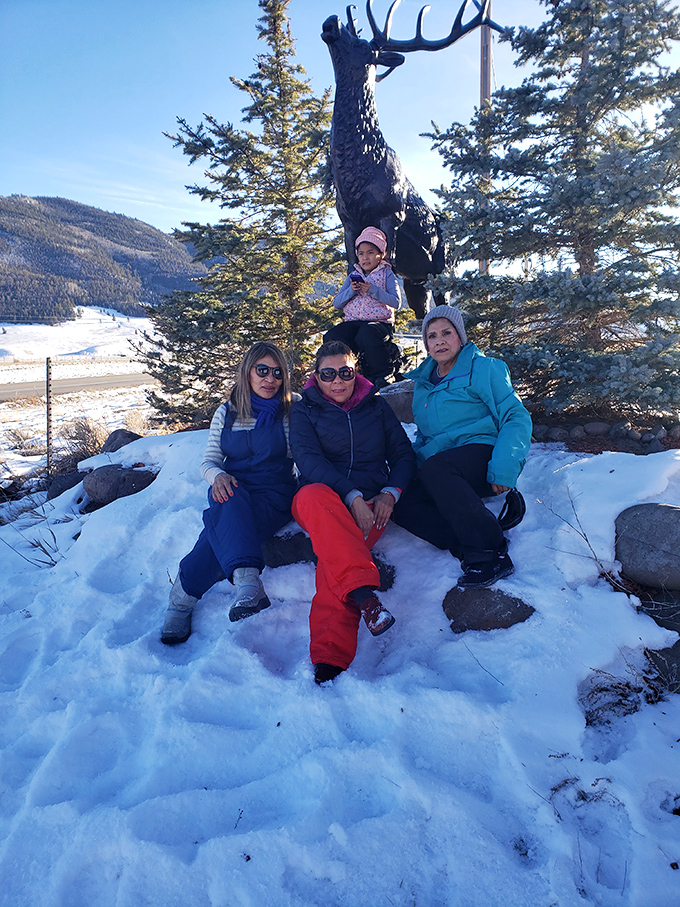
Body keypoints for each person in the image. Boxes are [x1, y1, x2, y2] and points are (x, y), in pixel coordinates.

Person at [289, 341, 416, 683]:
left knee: (336, 556)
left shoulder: (376, 407)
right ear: (316, 376)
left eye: (345, 372)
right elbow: (308, 460)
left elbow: (403, 454)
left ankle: (330, 659)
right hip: (319, 499)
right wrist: (350, 495)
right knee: (316, 498)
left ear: (355, 372)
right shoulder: (305, 410)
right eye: (328, 374)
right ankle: (364, 596)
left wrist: (391, 493)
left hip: (372, 506)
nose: (338, 381)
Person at [161, 342, 298, 645]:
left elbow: (302, 456)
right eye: (262, 370)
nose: (270, 379)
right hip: (234, 488)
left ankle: (182, 596)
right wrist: (217, 475)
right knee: (226, 496)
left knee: (218, 532)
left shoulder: (291, 409)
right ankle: (248, 583)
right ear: (247, 372)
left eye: (277, 372)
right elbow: (209, 460)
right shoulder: (227, 413)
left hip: (274, 494)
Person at [393, 304, 532, 588]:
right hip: (444, 469)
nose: (440, 340)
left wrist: (504, 468)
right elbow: (425, 436)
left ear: (461, 337)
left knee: (437, 470)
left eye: (447, 333)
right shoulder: (424, 383)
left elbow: (516, 417)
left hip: (483, 455)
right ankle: (467, 541)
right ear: (427, 344)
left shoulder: (484, 369)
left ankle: (489, 553)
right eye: (432, 336)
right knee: (401, 502)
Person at [324, 226, 403, 387]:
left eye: (370, 252)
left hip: (380, 323)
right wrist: (351, 291)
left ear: (381, 255)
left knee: (367, 334)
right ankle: (347, 371)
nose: (365, 258)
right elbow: (337, 303)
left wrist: (373, 290)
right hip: (353, 321)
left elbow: (396, 302)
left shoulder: (386, 274)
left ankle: (384, 372)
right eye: (361, 253)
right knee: (333, 336)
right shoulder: (354, 275)